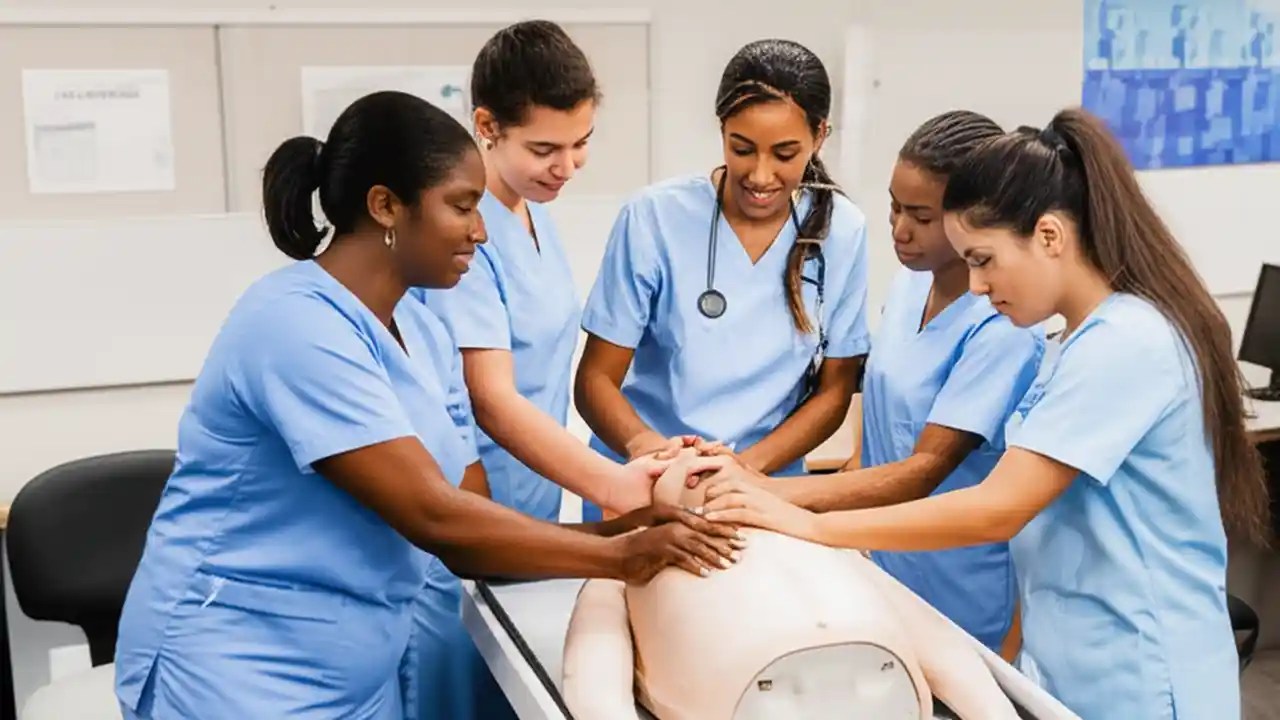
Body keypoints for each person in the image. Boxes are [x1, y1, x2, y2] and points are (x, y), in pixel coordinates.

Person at [112, 90, 741, 720]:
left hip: (355, 667)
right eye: (462, 206)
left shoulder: (424, 330)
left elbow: (467, 506)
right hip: (235, 664)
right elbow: (432, 516)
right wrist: (619, 555)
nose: (481, 229)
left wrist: (621, 526)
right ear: (386, 206)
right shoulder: (293, 325)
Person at [695, 107, 1273, 720]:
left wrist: (803, 521)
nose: (975, 286)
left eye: (983, 259)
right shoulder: (1074, 340)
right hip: (1071, 661)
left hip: (1143, 676)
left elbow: (999, 507)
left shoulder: (1128, 343)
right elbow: (1045, 525)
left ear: (1049, 236)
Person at [403, 21, 683, 720]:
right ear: (485, 127)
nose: (567, 165)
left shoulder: (531, 213)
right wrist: (615, 483)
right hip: (461, 522)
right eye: (544, 148)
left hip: (524, 514)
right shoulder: (466, 238)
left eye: (581, 143)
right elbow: (492, 400)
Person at [755, 110, 1043, 655]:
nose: (899, 229)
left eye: (921, 216)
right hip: (885, 559)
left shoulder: (1003, 329)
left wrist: (771, 496)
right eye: (893, 206)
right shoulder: (912, 285)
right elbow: (880, 405)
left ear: (971, 219)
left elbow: (923, 470)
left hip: (958, 583)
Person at [575, 38, 872, 522]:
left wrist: (745, 469)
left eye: (785, 153)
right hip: (646, 482)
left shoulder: (841, 231)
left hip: (762, 487)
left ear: (820, 135)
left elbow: (835, 390)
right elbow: (594, 379)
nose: (760, 174)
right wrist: (651, 451)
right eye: (742, 148)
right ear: (722, 132)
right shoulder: (655, 217)